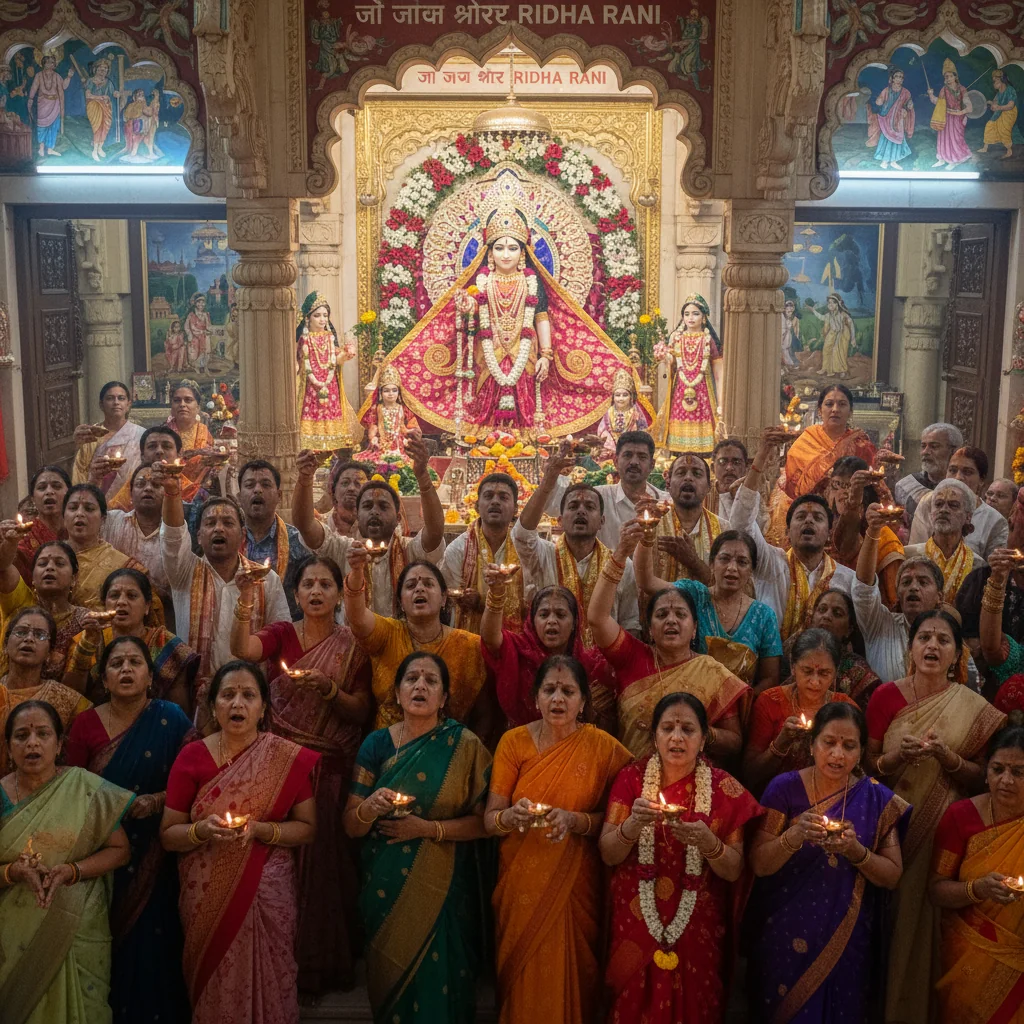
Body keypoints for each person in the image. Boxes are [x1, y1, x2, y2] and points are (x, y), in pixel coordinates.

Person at [358, 176, 647, 434]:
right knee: (487, 392)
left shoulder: (532, 281)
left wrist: (546, 355)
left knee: (524, 393)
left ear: (523, 251)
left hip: (525, 350)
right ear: (489, 252)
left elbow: (541, 316)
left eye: (512, 248)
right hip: (488, 350)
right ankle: (485, 435)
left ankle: (524, 436)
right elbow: (472, 313)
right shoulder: (481, 281)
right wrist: (466, 306)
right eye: (499, 247)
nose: (505, 254)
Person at [229, 553, 370, 994]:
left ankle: (320, 965)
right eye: (308, 584)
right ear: (295, 593)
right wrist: (246, 596)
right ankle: (273, 960)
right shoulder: (282, 634)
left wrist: (330, 691)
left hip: (329, 770)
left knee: (326, 864)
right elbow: (243, 651)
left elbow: (361, 710)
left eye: (325, 584)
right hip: (281, 766)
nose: (316, 591)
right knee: (277, 864)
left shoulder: (353, 645)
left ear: (339, 595)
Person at [866, 610, 1006, 1024]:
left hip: (942, 834)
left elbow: (983, 778)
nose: (932, 646)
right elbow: (866, 766)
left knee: (926, 921)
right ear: (910, 648)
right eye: (924, 637)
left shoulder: (973, 707)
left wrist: (950, 759)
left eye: (943, 640)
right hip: (889, 828)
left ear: (957, 655)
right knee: (887, 920)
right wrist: (895, 758)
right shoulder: (885, 697)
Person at [160, 661, 319, 1024]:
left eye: (249, 695)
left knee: (272, 977)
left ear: (263, 708)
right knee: (216, 985)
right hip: (206, 894)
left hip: (269, 888)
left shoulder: (284, 758)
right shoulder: (192, 757)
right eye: (228, 695)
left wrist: (262, 830)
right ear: (213, 705)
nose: (237, 704)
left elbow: (307, 828)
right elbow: (169, 834)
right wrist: (202, 831)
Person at [344, 652, 491, 1024]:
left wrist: (428, 829)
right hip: (385, 886)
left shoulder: (465, 746)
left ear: (444, 697)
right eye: (411, 679)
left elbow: (485, 824)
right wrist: (369, 808)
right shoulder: (376, 745)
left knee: (442, 987)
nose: (420, 686)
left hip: (445, 889)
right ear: (396, 693)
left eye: (430, 680)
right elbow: (351, 825)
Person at [485, 655, 631, 1024]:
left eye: (568, 691)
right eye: (549, 690)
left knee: (573, 972)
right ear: (535, 698)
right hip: (521, 882)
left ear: (583, 702)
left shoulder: (604, 748)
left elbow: (618, 816)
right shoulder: (513, 743)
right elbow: (490, 820)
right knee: (524, 970)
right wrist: (509, 817)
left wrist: (574, 820)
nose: (557, 699)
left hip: (576, 880)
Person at [600, 692, 761, 1023]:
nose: (676, 737)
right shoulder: (631, 779)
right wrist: (631, 826)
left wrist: (710, 844)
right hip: (635, 918)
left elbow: (734, 869)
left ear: (703, 739)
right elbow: (608, 853)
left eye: (687, 729)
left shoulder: (724, 789)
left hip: (697, 924)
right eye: (667, 728)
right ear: (654, 736)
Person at [747, 703, 909, 1023]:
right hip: (785, 931)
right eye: (829, 742)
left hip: (846, 938)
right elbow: (759, 864)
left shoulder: (877, 799)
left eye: (849, 746)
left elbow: (892, 875)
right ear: (812, 745)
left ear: (861, 753)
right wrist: (794, 835)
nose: (837, 754)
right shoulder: (784, 788)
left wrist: (855, 851)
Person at [64, 636, 192, 1024]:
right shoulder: (86, 724)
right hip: (103, 852)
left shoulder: (172, 718)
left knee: (155, 942)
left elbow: (196, 782)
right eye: (116, 663)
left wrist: (156, 800)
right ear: (104, 679)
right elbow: (72, 789)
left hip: (159, 851)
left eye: (135, 662)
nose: (125, 669)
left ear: (150, 677)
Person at [0, 700, 133, 1024]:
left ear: (59, 744)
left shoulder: (85, 788)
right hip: (11, 935)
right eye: (22, 735)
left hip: (76, 926)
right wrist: (12, 872)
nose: (32, 743)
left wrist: (73, 871)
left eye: (43, 734)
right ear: (8, 748)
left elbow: (120, 850)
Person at [589, 522, 749, 760]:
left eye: (681, 615)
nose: (671, 620)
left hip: (693, 778)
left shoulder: (712, 673)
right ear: (650, 629)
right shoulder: (632, 656)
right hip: (634, 776)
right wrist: (620, 554)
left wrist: (700, 731)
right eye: (662, 614)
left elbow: (734, 742)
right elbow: (597, 619)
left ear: (695, 628)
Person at [159, 470, 290, 699]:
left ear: (242, 535)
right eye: (210, 523)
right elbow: (173, 537)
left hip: (247, 697)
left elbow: (280, 637)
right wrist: (171, 491)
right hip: (194, 697)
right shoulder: (184, 571)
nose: (218, 528)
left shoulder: (266, 579)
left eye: (228, 523)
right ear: (198, 536)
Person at [343, 547, 495, 737]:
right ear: (401, 602)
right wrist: (357, 571)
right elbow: (357, 618)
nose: (419, 588)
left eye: (428, 584)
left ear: (444, 598)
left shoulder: (469, 645)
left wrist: (467, 751)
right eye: (410, 585)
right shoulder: (387, 633)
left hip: (448, 749)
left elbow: (484, 715)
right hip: (388, 747)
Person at [929, 724, 1024, 1022]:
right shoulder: (961, 817)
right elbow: (936, 889)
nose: (1006, 780)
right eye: (998, 769)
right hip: (968, 954)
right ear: (985, 773)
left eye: (1018, 772)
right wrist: (977, 889)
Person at [293, 435, 445, 620]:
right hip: (352, 637)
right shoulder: (345, 549)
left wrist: (422, 476)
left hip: (401, 636)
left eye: (383, 506)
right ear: (357, 515)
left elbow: (435, 531)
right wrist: (305, 479)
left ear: (398, 518)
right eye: (367, 506)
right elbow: (305, 526)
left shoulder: (409, 549)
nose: (374, 512)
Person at [731, 427, 857, 638]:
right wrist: (761, 456)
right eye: (800, 517)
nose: (808, 520)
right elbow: (741, 524)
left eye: (817, 518)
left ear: (829, 533)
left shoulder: (847, 579)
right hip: (773, 658)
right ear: (788, 531)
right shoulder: (771, 563)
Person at [513, 448, 640, 639]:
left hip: (603, 657)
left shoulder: (621, 565)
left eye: (590, 507)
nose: (581, 511)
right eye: (573, 506)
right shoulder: (544, 555)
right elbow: (522, 534)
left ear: (602, 521)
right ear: (560, 520)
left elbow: (630, 623)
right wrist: (548, 483)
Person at [635, 528, 782, 689]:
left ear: (751, 570)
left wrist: (741, 701)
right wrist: (647, 532)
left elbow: (770, 678)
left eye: (742, 562)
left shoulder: (764, 616)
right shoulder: (694, 595)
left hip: (742, 702)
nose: (732, 568)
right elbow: (647, 582)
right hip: (689, 697)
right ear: (712, 564)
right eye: (724, 559)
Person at [481, 573, 616, 732]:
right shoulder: (517, 650)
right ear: (533, 621)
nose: (551, 621)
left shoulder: (591, 666)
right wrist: (496, 595)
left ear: (574, 622)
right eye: (544, 615)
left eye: (560, 615)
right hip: (524, 741)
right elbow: (490, 638)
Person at [63, 568, 197, 711]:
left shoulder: (167, 644)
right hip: (101, 722)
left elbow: (180, 711)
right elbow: (71, 697)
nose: (121, 602)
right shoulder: (89, 639)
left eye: (132, 596)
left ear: (147, 606)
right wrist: (87, 645)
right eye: (114, 595)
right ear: (104, 604)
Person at [743, 628, 858, 794]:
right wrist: (781, 743)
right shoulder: (769, 702)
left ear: (835, 672)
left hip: (830, 799)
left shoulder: (846, 710)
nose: (815, 681)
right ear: (792, 666)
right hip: (777, 798)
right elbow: (749, 774)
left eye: (824, 673)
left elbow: (855, 770)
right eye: (807, 671)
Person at [854, 508, 950, 682]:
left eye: (923, 582)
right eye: (906, 582)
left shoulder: (949, 637)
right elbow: (863, 588)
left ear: (939, 597)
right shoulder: (880, 624)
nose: (913, 587)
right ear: (898, 593)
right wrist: (874, 530)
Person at [769, 384, 875, 536]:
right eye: (829, 404)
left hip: (852, 519)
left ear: (850, 411)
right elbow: (797, 487)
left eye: (842, 404)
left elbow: (872, 485)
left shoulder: (861, 444)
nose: (835, 409)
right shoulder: (806, 440)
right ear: (820, 410)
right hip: (811, 514)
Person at [542, 431, 670, 549]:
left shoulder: (666, 504)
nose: (634, 462)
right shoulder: (597, 498)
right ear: (616, 461)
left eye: (642, 457)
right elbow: (553, 508)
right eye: (628, 455)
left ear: (652, 465)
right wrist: (550, 477)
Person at [0, 607, 90, 765]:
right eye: (21, 632)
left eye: (39, 635)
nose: (29, 639)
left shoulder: (69, 702)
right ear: (6, 645)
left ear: (50, 653)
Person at [442, 471, 525, 633]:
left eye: (503, 497)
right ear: (476, 506)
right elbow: (449, 597)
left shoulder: (524, 549)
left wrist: (481, 603)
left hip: (515, 638)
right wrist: (465, 599)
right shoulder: (458, 549)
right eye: (488, 496)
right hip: (469, 636)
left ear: (515, 508)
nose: (495, 501)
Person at [0, 533, 90, 680]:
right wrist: (10, 542)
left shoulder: (85, 621)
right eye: (42, 564)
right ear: (33, 578)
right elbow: (3, 567)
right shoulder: (20, 602)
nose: (50, 568)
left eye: (59, 563)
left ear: (74, 578)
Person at [823, 456, 904, 608]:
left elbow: (894, 604)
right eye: (837, 485)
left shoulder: (885, 540)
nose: (843, 493)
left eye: (850, 486)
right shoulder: (825, 527)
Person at [237, 460, 310, 620]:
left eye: (265, 484)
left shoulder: (297, 541)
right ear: (239, 497)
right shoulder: (228, 540)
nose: (257, 490)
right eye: (249, 485)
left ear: (279, 496)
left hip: (283, 627)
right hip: (235, 624)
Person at [910, 446, 1009, 560]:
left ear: (981, 480)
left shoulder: (995, 521)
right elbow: (915, 554)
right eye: (952, 470)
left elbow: (993, 567)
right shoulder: (928, 503)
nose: (958, 477)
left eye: (967, 472)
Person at [652, 293, 723, 454]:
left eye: (695, 314)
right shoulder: (676, 338)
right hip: (681, 389)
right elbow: (673, 363)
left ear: (704, 317)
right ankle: (677, 454)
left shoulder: (708, 340)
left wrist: (721, 404)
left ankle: (704, 455)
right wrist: (665, 357)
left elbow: (719, 370)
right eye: (687, 314)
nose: (690, 318)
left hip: (703, 391)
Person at [63, 483, 149, 611]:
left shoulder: (123, 565)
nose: (80, 513)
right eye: (73, 508)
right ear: (63, 517)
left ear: (103, 519)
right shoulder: (49, 559)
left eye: (89, 509)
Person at [645, 452, 723, 585]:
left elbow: (726, 588)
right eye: (681, 473)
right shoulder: (650, 526)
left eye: (697, 474)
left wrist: (693, 562)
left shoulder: (723, 529)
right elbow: (639, 581)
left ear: (709, 487)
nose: (688, 478)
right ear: (668, 484)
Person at [296, 291, 360, 451]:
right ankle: (311, 448)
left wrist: (346, 354)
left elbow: (335, 360)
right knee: (312, 412)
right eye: (317, 315)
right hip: (310, 386)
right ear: (308, 318)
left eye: (325, 315)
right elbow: (299, 362)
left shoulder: (330, 337)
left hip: (330, 386)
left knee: (330, 412)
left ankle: (331, 448)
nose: (322, 319)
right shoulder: (304, 339)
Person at [905, 478, 986, 601]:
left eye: (953, 505)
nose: (943, 510)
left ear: (968, 517)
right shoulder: (908, 556)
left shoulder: (978, 566)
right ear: (931, 513)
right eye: (938, 504)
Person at [101, 464, 169, 604]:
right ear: (130, 493)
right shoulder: (113, 521)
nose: (148, 488)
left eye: (156, 485)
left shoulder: (175, 531)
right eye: (140, 484)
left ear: (167, 493)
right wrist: (94, 480)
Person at [805, 587, 881, 709]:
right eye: (822, 610)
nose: (826, 616)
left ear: (849, 630)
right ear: (812, 619)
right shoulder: (793, 653)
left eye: (837, 613)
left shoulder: (857, 672)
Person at [72, 380, 145, 497]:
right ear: (101, 405)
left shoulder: (140, 434)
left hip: (132, 499)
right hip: (97, 498)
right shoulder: (91, 436)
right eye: (110, 398)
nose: (116, 402)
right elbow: (80, 471)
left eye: (121, 398)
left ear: (128, 404)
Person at [104, 424, 185, 514]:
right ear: (142, 455)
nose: (159, 451)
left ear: (179, 454)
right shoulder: (130, 489)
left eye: (167, 446)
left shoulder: (190, 490)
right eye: (152, 446)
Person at [895, 422, 964, 526]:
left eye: (934, 446)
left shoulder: (964, 486)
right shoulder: (905, 487)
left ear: (954, 451)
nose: (925, 452)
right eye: (923, 446)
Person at [12, 464, 69, 583]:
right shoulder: (23, 537)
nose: (49, 491)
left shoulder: (78, 530)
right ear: (33, 498)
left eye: (56, 486)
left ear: (69, 493)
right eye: (42, 488)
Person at [357, 363, 419, 462]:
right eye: (386, 391)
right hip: (381, 443)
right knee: (378, 460)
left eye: (394, 390)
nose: (391, 394)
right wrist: (372, 437)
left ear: (399, 392)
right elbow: (373, 425)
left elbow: (403, 427)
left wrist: (410, 432)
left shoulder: (403, 408)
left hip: (398, 443)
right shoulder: (377, 408)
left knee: (402, 461)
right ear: (380, 393)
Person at [166, 381, 216, 502]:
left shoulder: (205, 433)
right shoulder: (163, 434)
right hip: (168, 494)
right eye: (177, 400)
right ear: (171, 407)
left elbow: (213, 467)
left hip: (201, 496)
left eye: (188, 400)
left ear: (198, 407)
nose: (182, 404)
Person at [706, 437, 764, 529]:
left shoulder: (753, 496)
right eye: (722, 462)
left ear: (746, 468)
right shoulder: (703, 494)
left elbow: (759, 530)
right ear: (713, 468)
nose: (729, 468)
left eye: (736, 462)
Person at [597, 368, 652, 459]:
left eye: (625, 395)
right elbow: (602, 430)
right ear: (613, 397)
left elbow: (643, 431)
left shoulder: (636, 413)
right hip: (610, 450)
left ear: (631, 397)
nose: (621, 399)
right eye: (617, 395)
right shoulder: (609, 412)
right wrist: (610, 445)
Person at [928, 59, 972, 169]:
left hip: (957, 119)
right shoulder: (944, 89)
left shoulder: (962, 89)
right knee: (943, 138)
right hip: (946, 117)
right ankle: (942, 158)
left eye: (950, 76)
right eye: (946, 76)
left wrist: (961, 112)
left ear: (955, 77)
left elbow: (969, 106)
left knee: (956, 139)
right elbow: (939, 102)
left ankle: (955, 160)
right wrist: (931, 95)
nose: (948, 78)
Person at [869, 65, 915, 169]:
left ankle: (894, 161)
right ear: (892, 78)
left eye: (901, 77)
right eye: (897, 76)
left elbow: (909, 105)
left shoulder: (906, 92)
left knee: (898, 138)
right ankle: (884, 161)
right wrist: (879, 100)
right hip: (887, 118)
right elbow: (879, 102)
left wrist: (909, 106)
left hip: (898, 120)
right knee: (886, 137)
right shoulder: (886, 90)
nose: (899, 79)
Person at [28, 53, 73, 157]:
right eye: (48, 62)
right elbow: (34, 88)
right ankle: (41, 148)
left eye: (52, 62)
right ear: (43, 63)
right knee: (41, 126)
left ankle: (50, 149)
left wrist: (69, 77)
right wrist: (30, 98)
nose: (50, 64)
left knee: (53, 127)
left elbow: (64, 86)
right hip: (42, 103)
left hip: (55, 104)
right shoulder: (39, 75)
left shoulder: (57, 76)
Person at [808, 293, 858, 379]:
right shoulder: (828, 315)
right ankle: (825, 368)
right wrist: (813, 310)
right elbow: (821, 317)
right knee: (826, 349)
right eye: (829, 303)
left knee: (839, 352)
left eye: (833, 302)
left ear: (838, 304)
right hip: (832, 333)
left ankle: (842, 370)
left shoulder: (843, 314)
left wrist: (853, 339)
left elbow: (851, 325)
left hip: (843, 334)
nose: (830, 304)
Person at [322, 460, 370, 539]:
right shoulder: (321, 525)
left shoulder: (374, 527)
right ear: (334, 490)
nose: (351, 488)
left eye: (358, 483)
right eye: (345, 483)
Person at [979, 68, 1018, 160]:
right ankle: (985, 148)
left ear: (1001, 80)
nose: (994, 83)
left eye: (995, 81)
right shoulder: (998, 93)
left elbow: (1010, 106)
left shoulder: (1010, 90)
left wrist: (998, 107)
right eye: (993, 81)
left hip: (1009, 113)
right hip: (1000, 112)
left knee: (1003, 130)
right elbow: (994, 105)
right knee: (989, 125)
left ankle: (1009, 151)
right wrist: (991, 104)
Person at [781, 298, 801, 368]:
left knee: (788, 349)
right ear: (785, 310)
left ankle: (791, 363)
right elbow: (783, 331)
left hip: (788, 337)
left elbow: (795, 329)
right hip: (784, 336)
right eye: (788, 312)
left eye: (791, 312)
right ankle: (790, 364)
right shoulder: (782, 318)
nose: (790, 313)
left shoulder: (789, 319)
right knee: (785, 349)